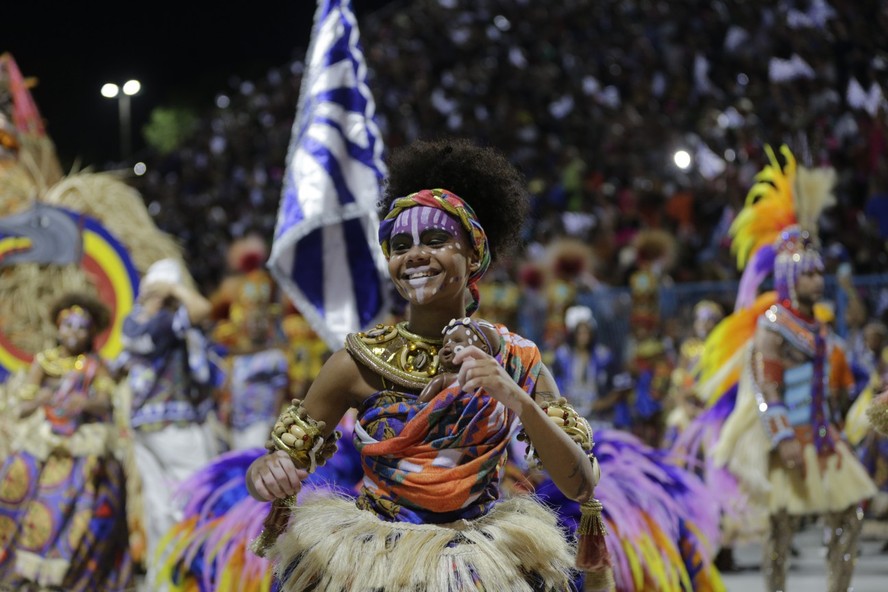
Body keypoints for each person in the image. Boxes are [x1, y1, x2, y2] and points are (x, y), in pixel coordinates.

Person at [245, 138, 604, 591]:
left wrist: (513, 396)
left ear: (473, 255)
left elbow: (581, 485)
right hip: (373, 566)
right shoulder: (356, 362)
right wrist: (265, 474)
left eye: (436, 240)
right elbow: (278, 466)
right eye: (400, 246)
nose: (415, 255)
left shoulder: (516, 357)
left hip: (482, 565)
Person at [711, 146, 876, 592]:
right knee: (779, 531)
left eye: (819, 274)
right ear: (788, 278)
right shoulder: (773, 326)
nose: (817, 282)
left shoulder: (818, 328)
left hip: (825, 438)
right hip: (790, 440)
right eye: (808, 275)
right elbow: (767, 388)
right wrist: (782, 438)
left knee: (850, 514)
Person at [0, 292, 132, 591]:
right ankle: (17, 569)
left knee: (78, 493)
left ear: (91, 332)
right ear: (57, 327)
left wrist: (83, 403)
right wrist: (41, 400)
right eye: (67, 325)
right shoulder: (44, 362)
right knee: (15, 476)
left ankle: (61, 575)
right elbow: (21, 407)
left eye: (81, 326)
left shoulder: (95, 366)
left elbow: (105, 402)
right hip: (45, 441)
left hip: (82, 445)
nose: (73, 332)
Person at [118, 258, 220, 582]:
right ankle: (196, 579)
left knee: (159, 510)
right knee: (196, 500)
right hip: (174, 425)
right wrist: (173, 290)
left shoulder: (134, 322)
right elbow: (204, 309)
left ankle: (161, 583)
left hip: (144, 426)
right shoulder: (166, 322)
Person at [550, 305, 628, 430]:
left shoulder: (603, 356)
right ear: (573, 334)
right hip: (569, 412)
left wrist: (604, 402)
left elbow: (621, 385)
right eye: (580, 332)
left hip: (598, 415)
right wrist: (562, 398)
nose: (583, 336)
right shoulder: (562, 355)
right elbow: (553, 381)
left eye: (586, 332)